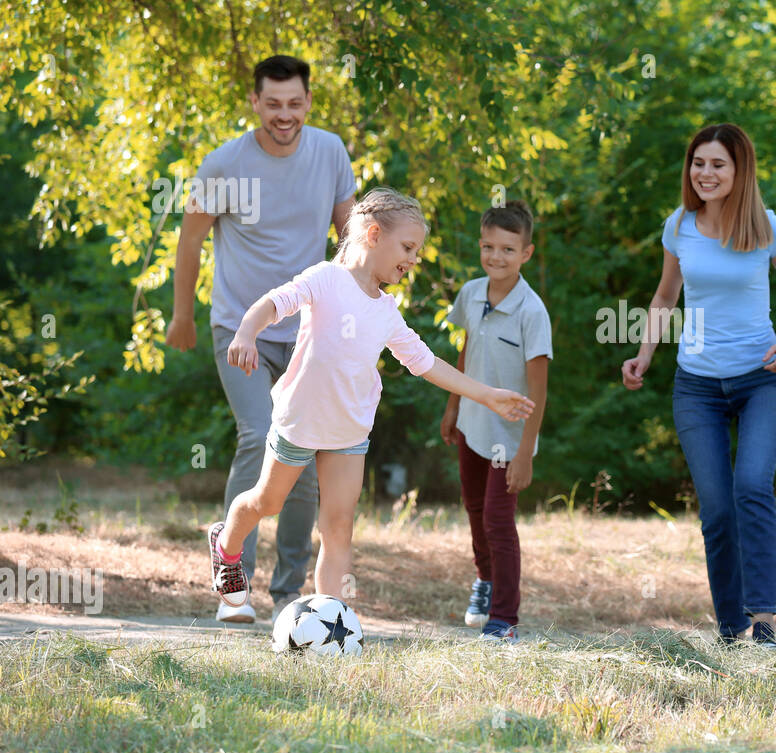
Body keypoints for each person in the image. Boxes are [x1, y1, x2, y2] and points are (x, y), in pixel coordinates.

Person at [206, 189, 535, 613]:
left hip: (349, 432)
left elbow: (427, 362)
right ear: (374, 234)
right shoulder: (326, 278)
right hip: (300, 421)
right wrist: (247, 333)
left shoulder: (386, 310)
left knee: (339, 526)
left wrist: (487, 395)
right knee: (266, 503)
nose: (414, 258)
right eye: (408, 247)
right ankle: (226, 544)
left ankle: (331, 621)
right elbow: (274, 303)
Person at [166, 54, 355, 624]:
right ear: (255, 102)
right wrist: (182, 316)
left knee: (300, 452)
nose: (284, 114)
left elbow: (350, 243)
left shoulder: (330, 152)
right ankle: (233, 582)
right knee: (258, 434)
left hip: (307, 330)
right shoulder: (225, 165)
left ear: (308, 102)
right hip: (239, 326)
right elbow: (191, 243)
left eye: (294, 103)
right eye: (273, 103)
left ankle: (291, 592)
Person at [621, 123, 776, 649]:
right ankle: (731, 629)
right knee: (717, 508)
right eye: (698, 163)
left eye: (717, 164)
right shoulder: (678, 226)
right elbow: (663, 298)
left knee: (751, 485)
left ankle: (764, 621)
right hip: (697, 386)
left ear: (739, 170)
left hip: (761, 380)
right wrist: (643, 356)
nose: (704, 173)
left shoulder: (769, 228)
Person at [440, 201, 552, 644]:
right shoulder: (470, 293)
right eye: (488, 247)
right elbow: (465, 355)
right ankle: (484, 582)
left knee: (498, 523)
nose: (496, 257)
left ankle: (504, 619)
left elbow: (539, 388)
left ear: (526, 253)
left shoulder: (532, 311)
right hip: (472, 423)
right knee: (473, 509)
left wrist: (526, 451)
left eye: (508, 249)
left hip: (511, 437)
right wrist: (452, 409)